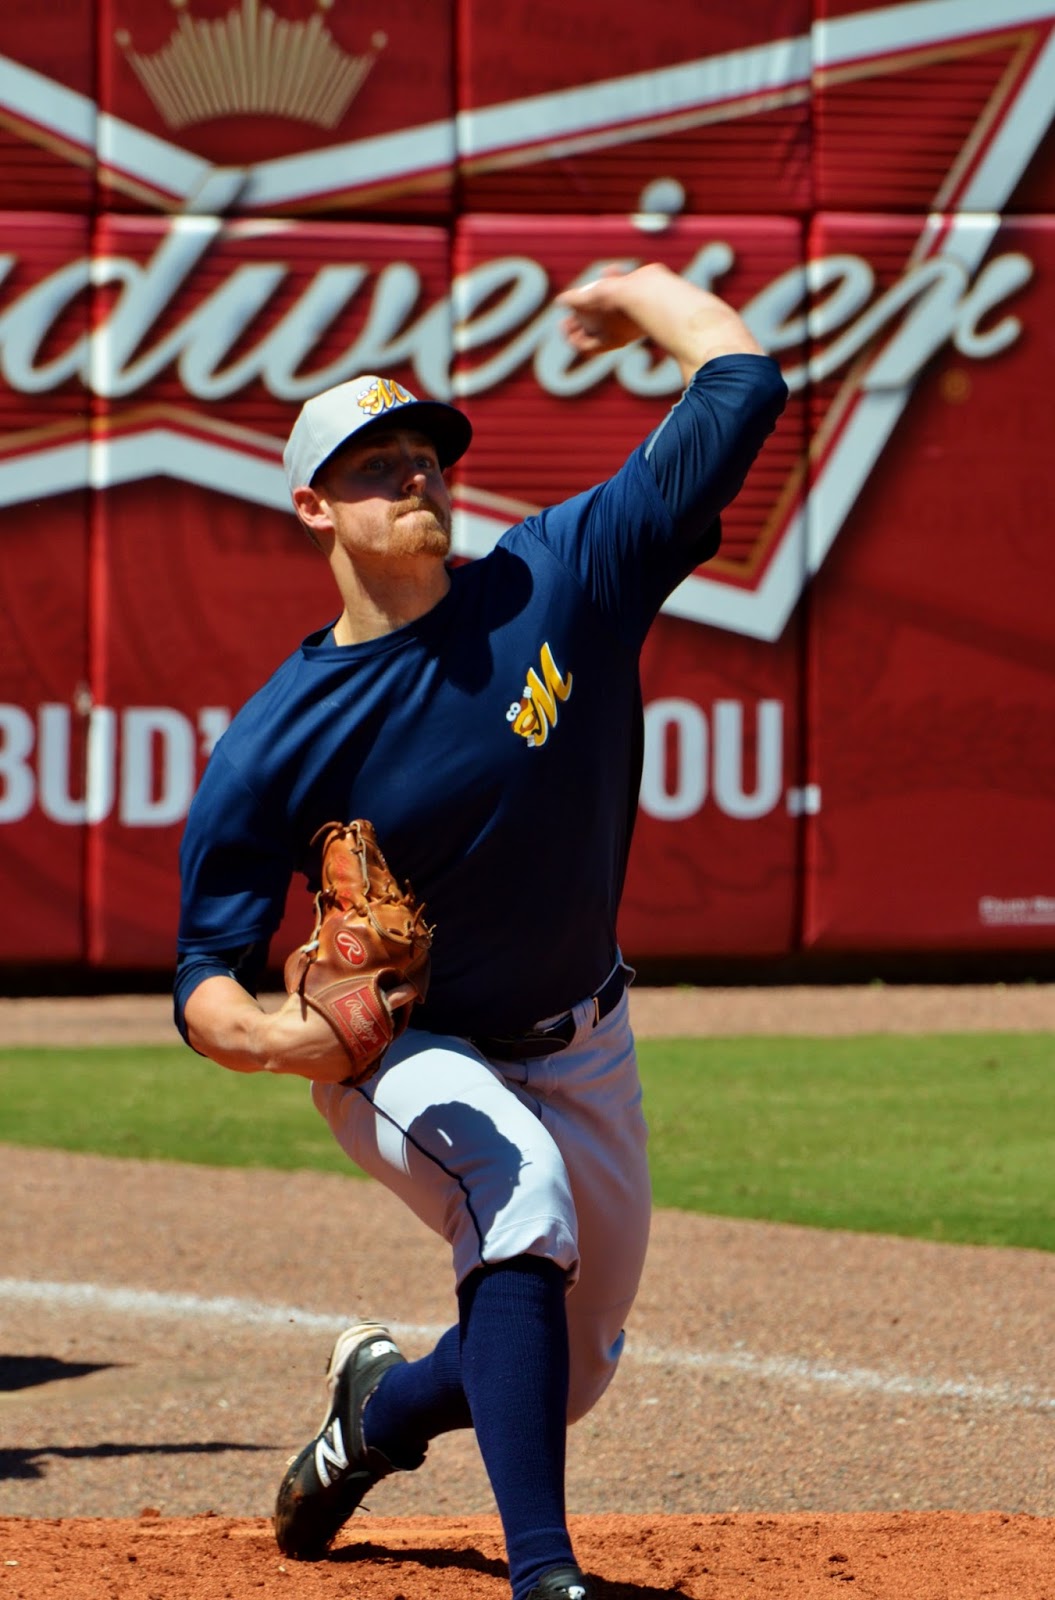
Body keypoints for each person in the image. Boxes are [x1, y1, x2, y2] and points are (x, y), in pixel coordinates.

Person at [174, 262, 787, 1600]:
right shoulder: (276, 741)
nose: (416, 479)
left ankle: (374, 1414)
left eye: (428, 457)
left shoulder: (558, 580)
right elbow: (204, 986)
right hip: (412, 1050)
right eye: (376, 465)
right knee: (519, 1196)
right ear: (313, 507)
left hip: (588, 1033)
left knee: (559, 1377)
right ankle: (546, 1575)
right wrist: (303, 1036)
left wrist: (645, 287)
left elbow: (740, 388)